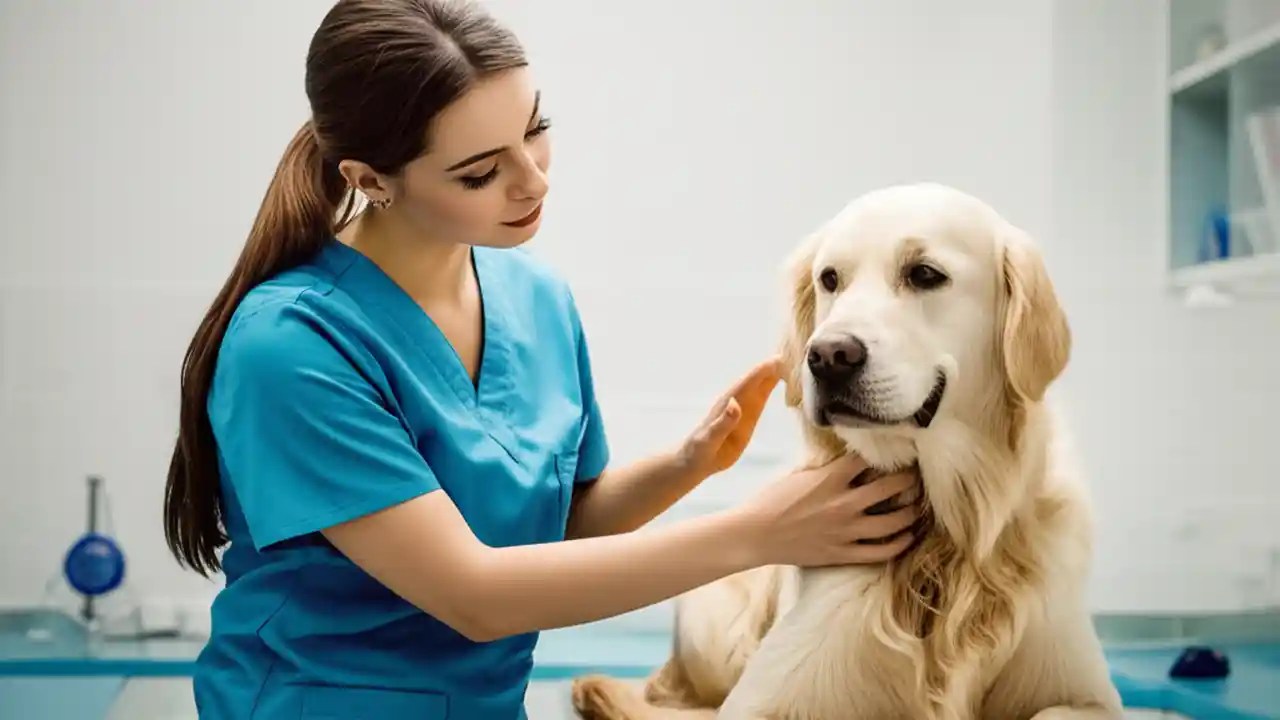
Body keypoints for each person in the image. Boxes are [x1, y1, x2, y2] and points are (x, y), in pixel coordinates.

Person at [161, 1, 921, 718]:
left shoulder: (534, 294)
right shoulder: (291, 346)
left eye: (536, 129)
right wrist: (754, 534)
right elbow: (476, 593)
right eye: (480, 172)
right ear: (368, 180)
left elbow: (558, 531)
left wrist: (686, 466)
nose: (534, 179)